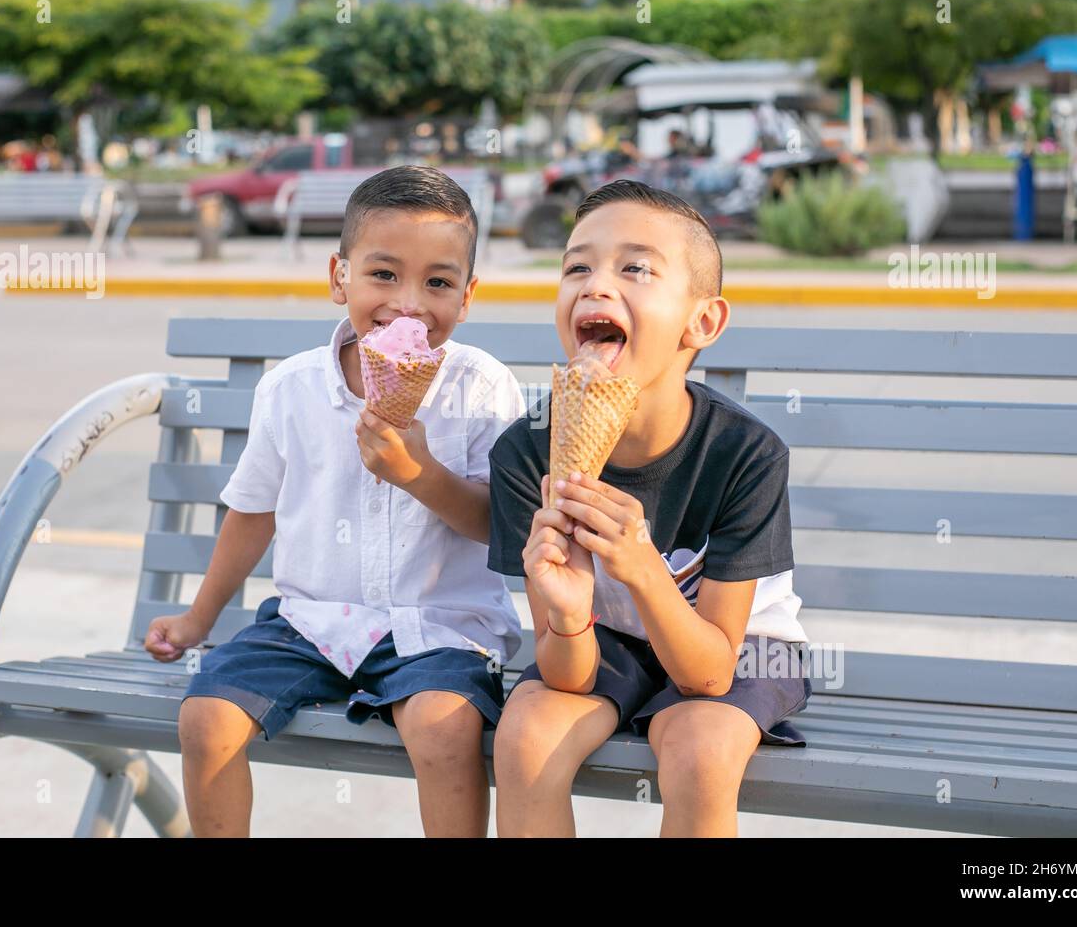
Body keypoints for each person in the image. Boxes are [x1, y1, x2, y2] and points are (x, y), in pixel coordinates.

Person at [146, 166, 526, 836]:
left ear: (466, 299)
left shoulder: (482, 388)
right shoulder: (291, 389)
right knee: (205, 720)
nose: (408, 304)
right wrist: (199, 618)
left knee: (443, 730)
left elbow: (498, 527)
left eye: (437, 282)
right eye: (383, 275)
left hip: (438, 629)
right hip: (309, 624)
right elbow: (254, 510)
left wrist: (419, 474)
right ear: (338, 277)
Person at [487, 179, 811, 837]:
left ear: (704, 322)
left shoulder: (746, 455)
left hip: (738, 649)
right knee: (525, 739)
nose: (596, 285)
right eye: (577, 265)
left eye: (636, 268)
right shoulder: (528, 453)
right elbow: (566, 676)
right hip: (607, 641)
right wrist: (571, 616)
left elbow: (707, 673)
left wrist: (640, 566)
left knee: (700, 751)